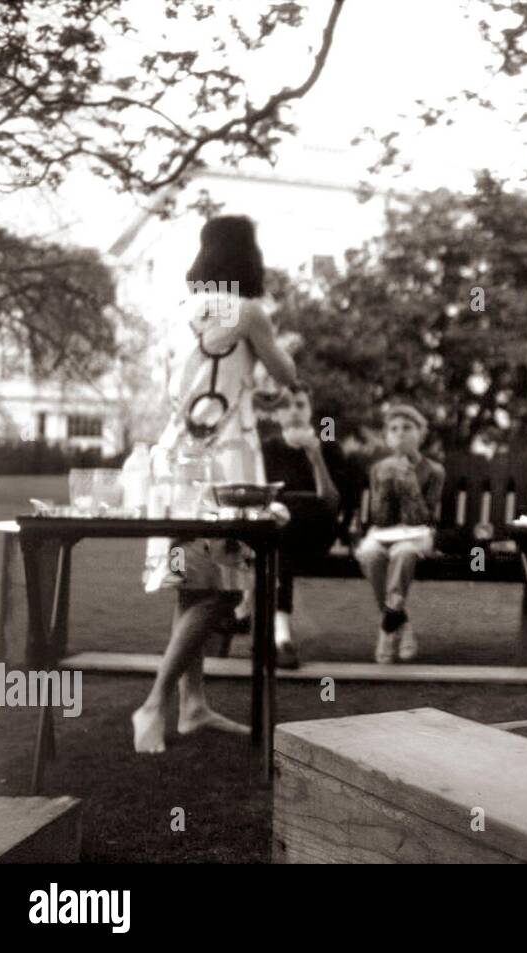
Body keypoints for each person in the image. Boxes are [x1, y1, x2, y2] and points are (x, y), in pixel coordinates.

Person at [133, 215, 299, 754]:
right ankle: (155, 701)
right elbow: (288, 375)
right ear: (248, 258)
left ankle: (194, 705)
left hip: (177, 456)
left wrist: (252, 390)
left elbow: (209, 383)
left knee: (193, 584)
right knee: (218, 589)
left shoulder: (187, 309)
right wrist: (275, 359)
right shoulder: (249, 311)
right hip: (222, 465)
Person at [259, 383, 344, 668]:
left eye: (300, 405)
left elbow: (332, 503)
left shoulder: (328, 448)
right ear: (276, 414)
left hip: (317, 533)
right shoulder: (267, 449)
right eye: (286, 406)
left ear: (310, 411)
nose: (294, 412)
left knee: (279, 536)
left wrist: (315, 456)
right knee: (278, 536)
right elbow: (260, 496)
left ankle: (271, 628)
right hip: (279, 533)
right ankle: (281, 636)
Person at [354, 401, 445, 664]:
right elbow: (380, 519)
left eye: (407, 428)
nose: (400, 433)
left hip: (417, 534)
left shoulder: (434, 471)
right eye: (394, 429)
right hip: (385, 534)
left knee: (404, 554)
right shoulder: (378, 468)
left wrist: (407, 481)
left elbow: (421, 518)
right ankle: (399, 621)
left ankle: (386, 628)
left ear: (421, 433)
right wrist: (385, 483)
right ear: (387, 436)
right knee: (370, 555)